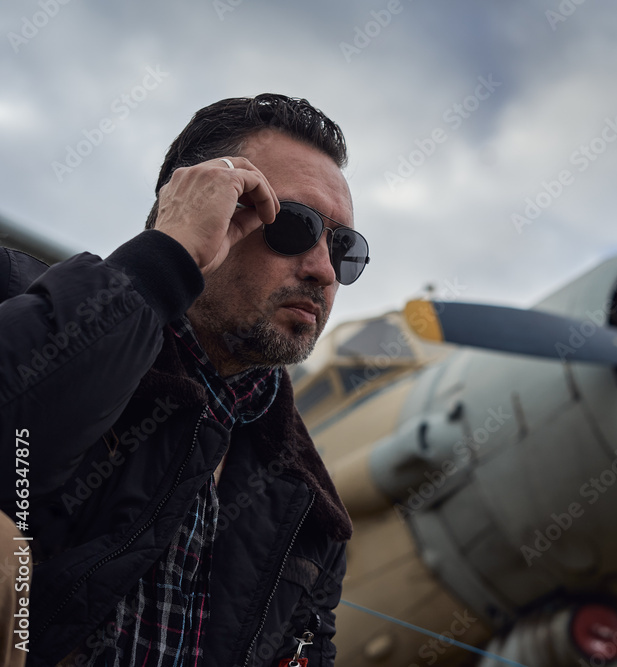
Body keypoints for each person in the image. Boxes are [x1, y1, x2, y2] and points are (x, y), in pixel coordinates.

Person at [0, 93, 365, 666]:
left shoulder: (310, 509)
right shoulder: (16, 299)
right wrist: (163, 259)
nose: (322, 268)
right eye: (295, 226)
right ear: (199, 204)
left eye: (345, 247)